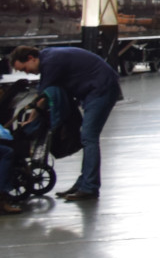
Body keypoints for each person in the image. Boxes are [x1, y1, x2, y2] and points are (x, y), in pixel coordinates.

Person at [10, 45, 122, 201]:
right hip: (94, 89)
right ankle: (84, 183)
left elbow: (41, 96)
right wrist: (32, 116)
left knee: (89, 137)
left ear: (31, 58)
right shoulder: (48, 58)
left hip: (100, 89)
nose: (27, 73)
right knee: (87, 137)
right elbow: (44, 97)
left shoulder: (51, 62)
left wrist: (31, 118)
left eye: (25, 68)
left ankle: (89, 187)